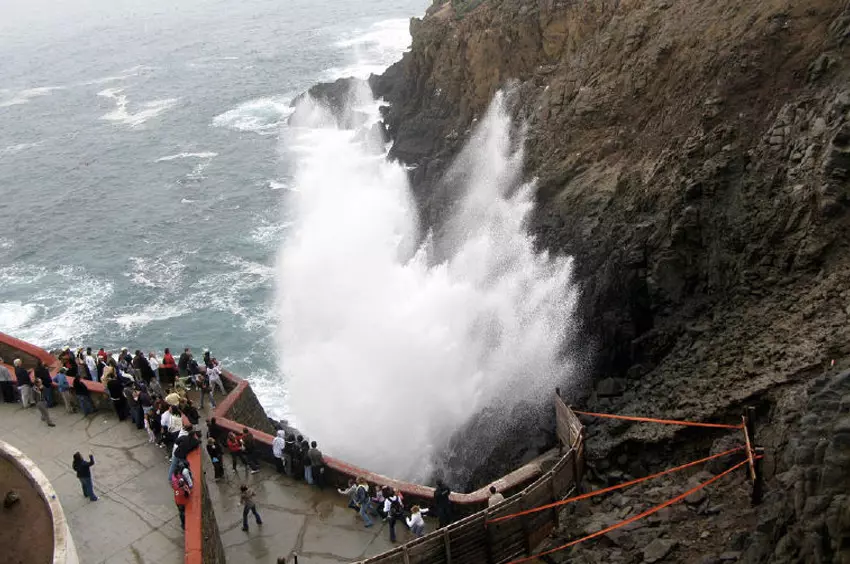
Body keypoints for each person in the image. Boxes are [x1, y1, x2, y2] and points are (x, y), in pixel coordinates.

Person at [171, 462, 193, 530]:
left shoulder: (174, 476)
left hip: (177, 499)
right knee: (182, 512)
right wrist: (186, 489)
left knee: (181, 512)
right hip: (181, 500)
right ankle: (184, 524)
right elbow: (186, 492)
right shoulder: (180, 485)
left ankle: (183, 524)